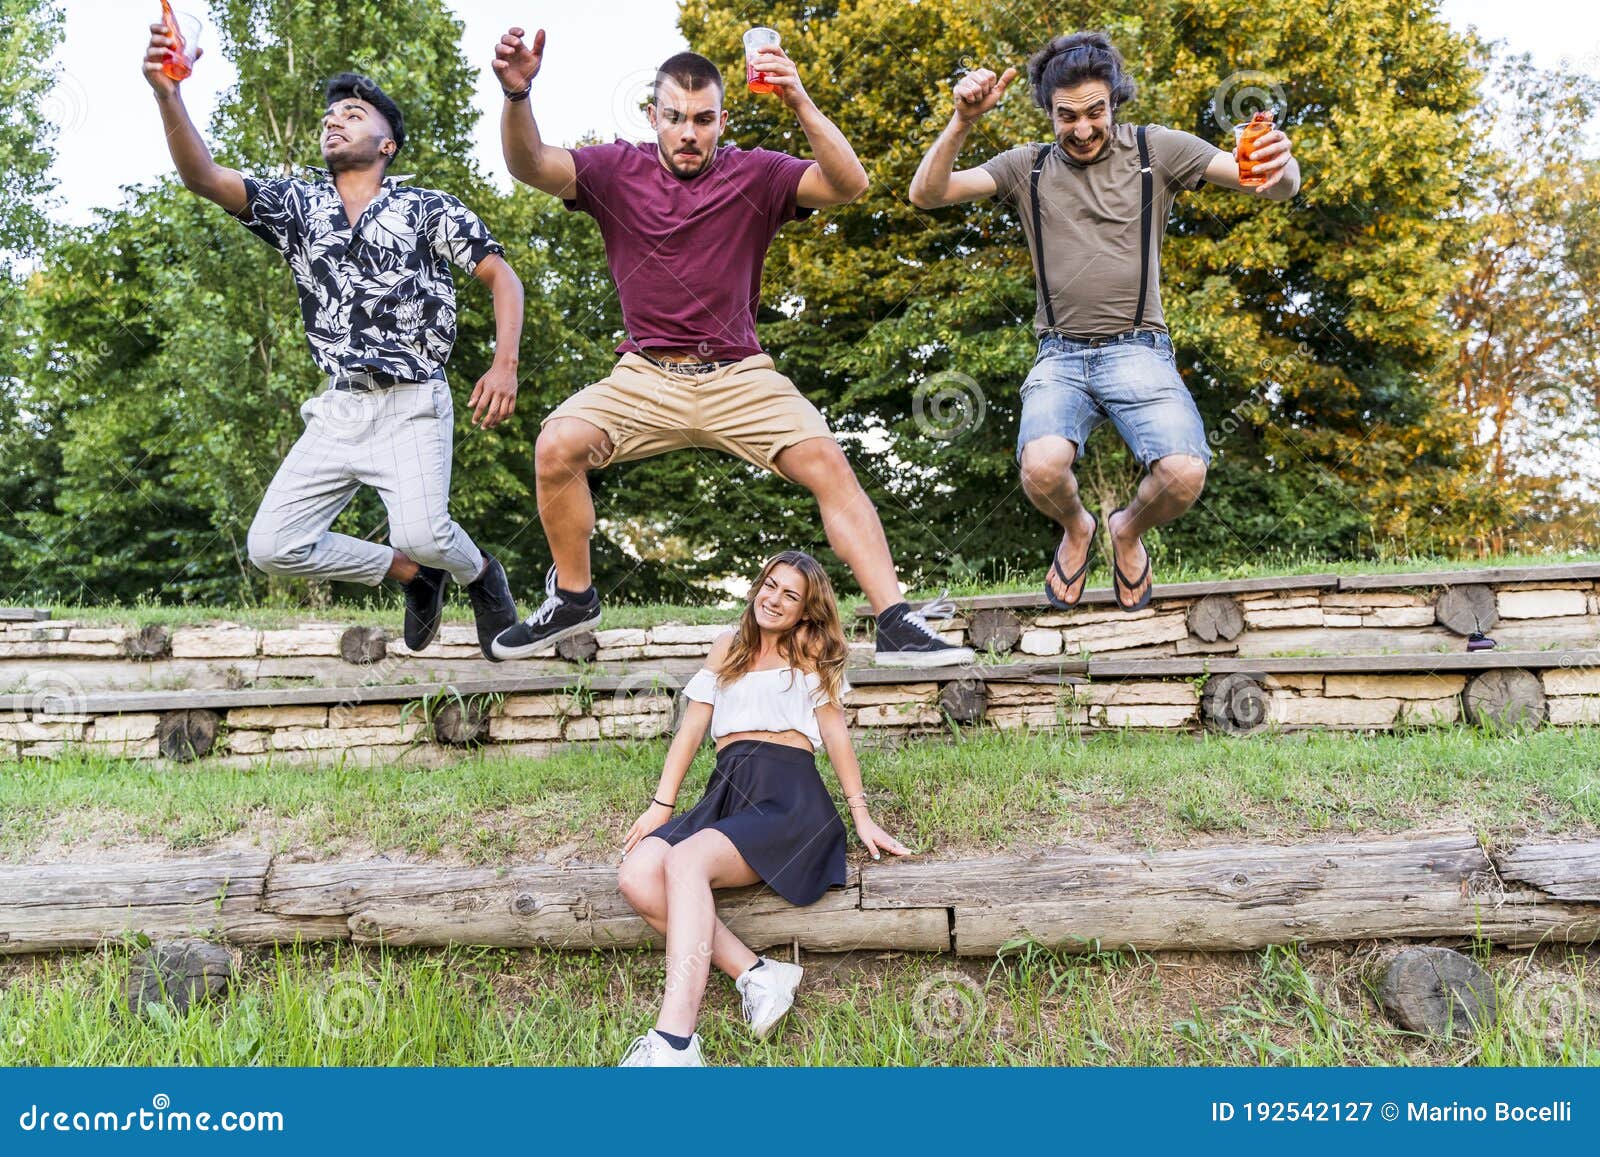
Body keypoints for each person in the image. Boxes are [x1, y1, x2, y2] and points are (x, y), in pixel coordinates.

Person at [488, 27, 975, 668]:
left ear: (723, 119)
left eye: (703, 119)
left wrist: (798, 97)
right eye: (674, 118)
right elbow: (529, 166)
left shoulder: (758, 173)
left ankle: (894, 622)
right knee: (555, 446)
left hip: (740, 374)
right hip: (646, 375)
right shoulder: (613, 170)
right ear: (652, 116)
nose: (688, 133)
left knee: (828, 463)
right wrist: (518, 92)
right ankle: (574, 599)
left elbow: (849, 184)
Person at [143, 25, 523, 659]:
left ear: (387, 142)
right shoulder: (298, 206)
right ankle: (411, 576)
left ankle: (479, 574)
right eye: (329, 115)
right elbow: (203, 176)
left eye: (353, 113)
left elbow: (500, 276)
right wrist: (166, 94)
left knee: (428, 532)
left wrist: (503, 364)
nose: (334, 121)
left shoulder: (428, 209)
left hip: (411, 402)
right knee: (272, 546)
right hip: (340, 407)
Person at [909, 32, 1301, 612]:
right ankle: (1077, 528)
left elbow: (1271, 187)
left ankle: (1127, 530)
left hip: (1140, 348)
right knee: (1041, 469)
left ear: (1114, 101)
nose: (1084, 128)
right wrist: (963, 119)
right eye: (1067, 116)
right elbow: (927, 193)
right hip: (1060, 355)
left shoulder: (1157, 151)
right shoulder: (1027, 166)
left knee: (1184, 473)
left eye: (1095, 111)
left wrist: (1280, 163)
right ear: (1049, 113)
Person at [613, 550, 910, 1066]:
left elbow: (834, 731)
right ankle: (757, 974)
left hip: (788, 796)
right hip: (728, 791)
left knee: (685, 862)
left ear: (805, 610)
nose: (773, 599)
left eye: (790, 595)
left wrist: (861, 813)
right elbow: (692, 728)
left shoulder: (809, 647)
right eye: (769, 585)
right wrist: (661, 805)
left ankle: (674, 1043)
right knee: (637, 876)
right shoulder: (727, 646)